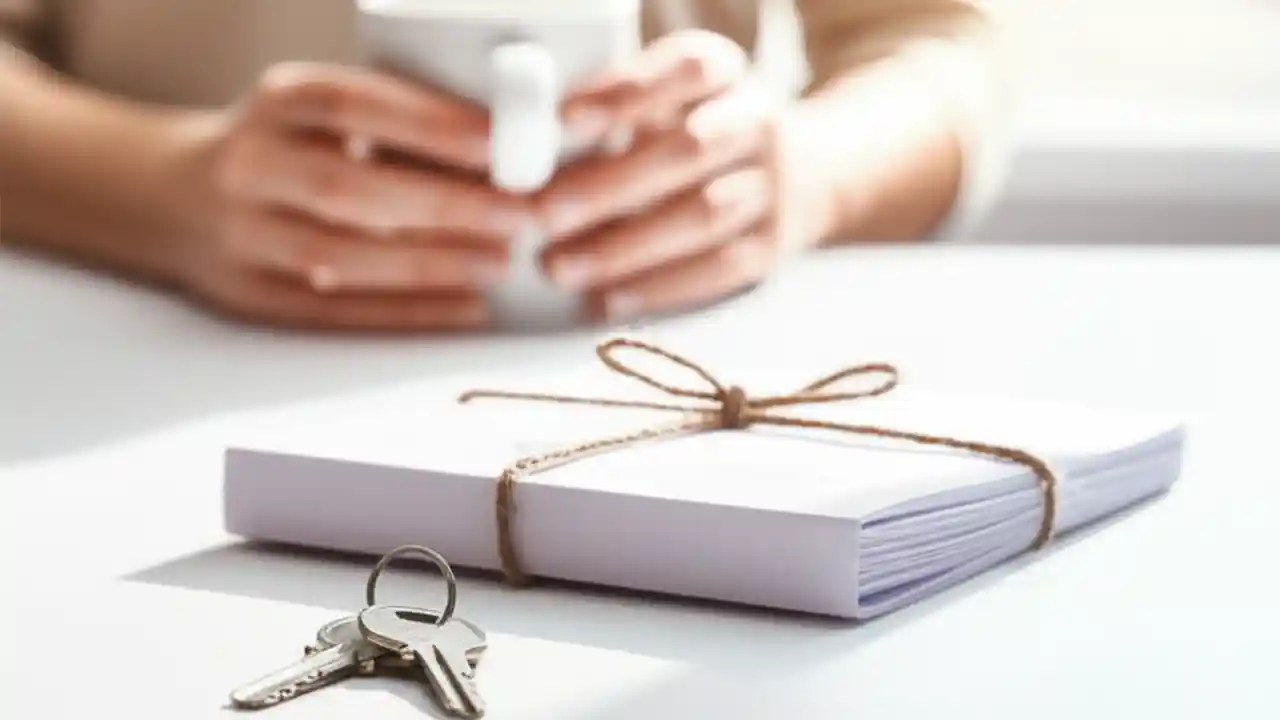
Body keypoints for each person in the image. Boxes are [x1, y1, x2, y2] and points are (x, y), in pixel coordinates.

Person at [0, 0, 1006, 330]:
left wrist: (803, 176)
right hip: (134, 363)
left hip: (650, 371)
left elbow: (941, 48)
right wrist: (159, 193)